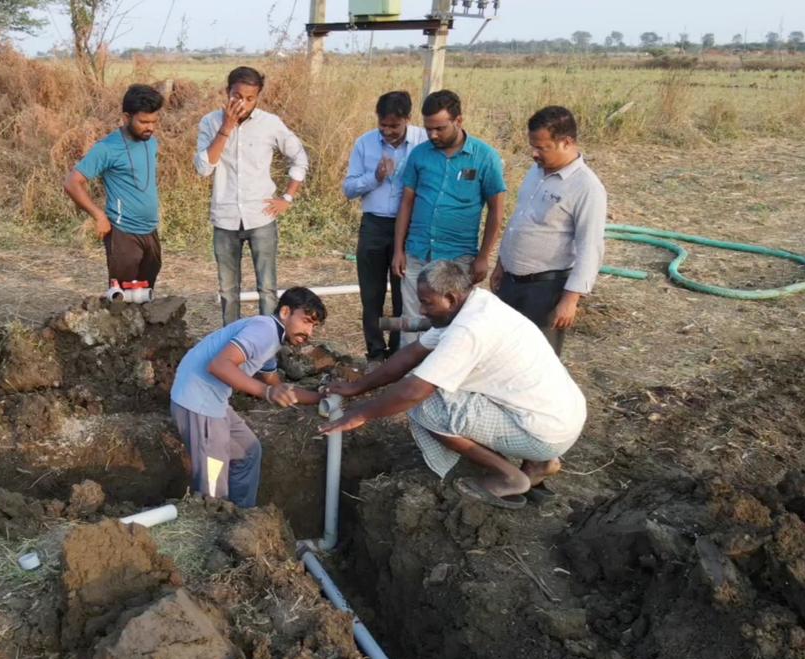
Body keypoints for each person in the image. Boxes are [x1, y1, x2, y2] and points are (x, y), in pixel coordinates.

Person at [321, 260, 585, 509]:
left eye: (426, 303)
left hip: (544, 433)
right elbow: (410, 355)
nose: (422, 311)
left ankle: (510, 478)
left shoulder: (468, 330)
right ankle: (539, 465)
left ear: (450, 298)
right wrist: (358, 387)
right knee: (453, 386)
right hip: (561, 418)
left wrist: (361, 413)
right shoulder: (474, 305)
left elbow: (414, 391)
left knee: (425, 407)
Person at [170, 287, 327, 507]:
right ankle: (214, 526)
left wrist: (321, 396)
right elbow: (220, 365)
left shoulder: (272, 340)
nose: (309, 332)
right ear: (285, 312)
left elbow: (276, 385)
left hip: (213, 401)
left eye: (314, 326)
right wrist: (266, 392)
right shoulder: (263, 330)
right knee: (213, 486)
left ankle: (243, 521)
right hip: (198, 402)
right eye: (306, 321)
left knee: (248, 452)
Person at [195, 66, 309, 325]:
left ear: (258, 97)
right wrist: (226, 127)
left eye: (250, 98)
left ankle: (267, 346)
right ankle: (231, 343)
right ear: (227, 92)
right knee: (228, 290)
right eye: (237, 96)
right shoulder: (210, 122)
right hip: (225, 218)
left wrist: (287, 198)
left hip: (261, 217)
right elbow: (203, 168)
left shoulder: (270, 124)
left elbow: (299, 157)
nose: (242, 104)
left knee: (267, 288)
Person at [392, 89, 506, 345]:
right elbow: (406, 203)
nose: (433, 135)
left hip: (457, 258)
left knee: (454, 322)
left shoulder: (485, 157)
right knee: (413, 319)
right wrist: (399, 250)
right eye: (428, 128)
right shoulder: (420, 155)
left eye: (440, 128)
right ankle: (409, 379)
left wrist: (483, 257)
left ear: (459, 121)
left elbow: (496, 210)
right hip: (418, 252)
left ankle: (444, 379)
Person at [492, 106, 607, 357]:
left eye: (541, 147)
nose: (534, 154)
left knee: (536, 359)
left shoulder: (586, 188)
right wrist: (501, 264)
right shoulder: (536, 172)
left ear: (566, 142)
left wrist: (570, 300)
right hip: (511, 282)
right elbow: (520, 220)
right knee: (501, 352)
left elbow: (591, 247)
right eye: (532, 146)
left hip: (545, 290)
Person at [343, 90, 427, 363]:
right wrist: (375, 177)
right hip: (374, 226)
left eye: (395, 125)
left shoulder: (424, 143)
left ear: (408, 119)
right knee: (372, 294)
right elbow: (349, 188)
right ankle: (376, 354)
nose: (388, 131)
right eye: (384, 125)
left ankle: (398, 353)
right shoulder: (365, 144)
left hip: (412, 226)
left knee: (405, 293)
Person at [64, 84, 165, 289]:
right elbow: (72, 182)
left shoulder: (151, 142)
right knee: (122, 296)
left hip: (150, 229)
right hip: (123, 231)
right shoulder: (107, 148)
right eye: (144, 121)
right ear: (126, 118)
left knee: (145, 291)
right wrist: (99, 216)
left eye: (154, 121)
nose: (150, 127)